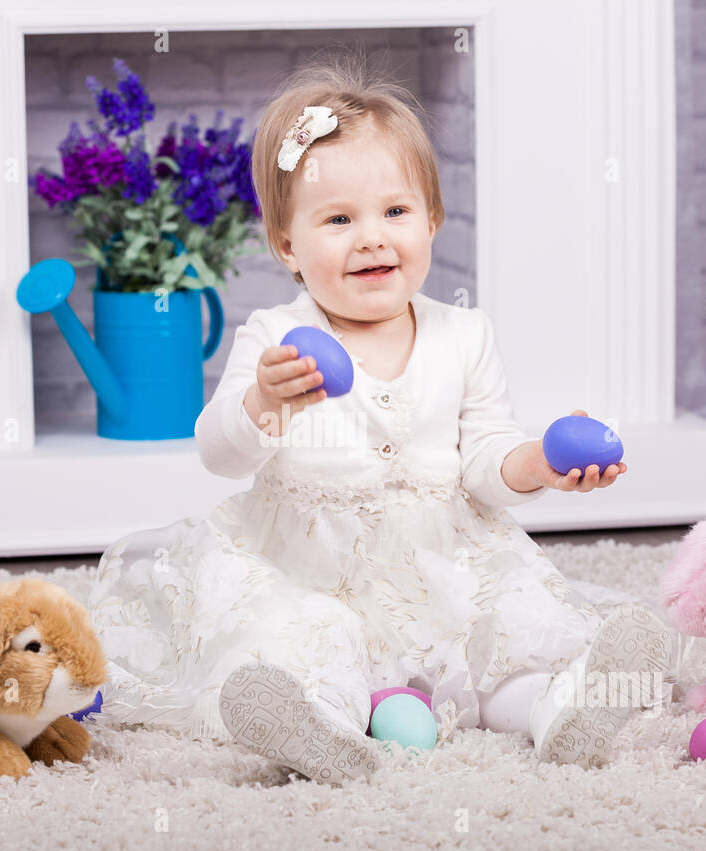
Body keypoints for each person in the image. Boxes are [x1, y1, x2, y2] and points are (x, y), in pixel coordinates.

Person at [88, 56, 672, 784]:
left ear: (432, 219)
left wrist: (541, 464)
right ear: (286, 244)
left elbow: (487, 462)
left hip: (440, 560)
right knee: (305, 639)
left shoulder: (465, 334)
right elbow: (219, 455)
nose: (371, 237)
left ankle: (560, 712)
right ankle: (317, 727)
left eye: (395, 212)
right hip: (310, 569)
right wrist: (263, 404)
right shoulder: (276, 336)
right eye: (338, 219)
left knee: (499, 640)